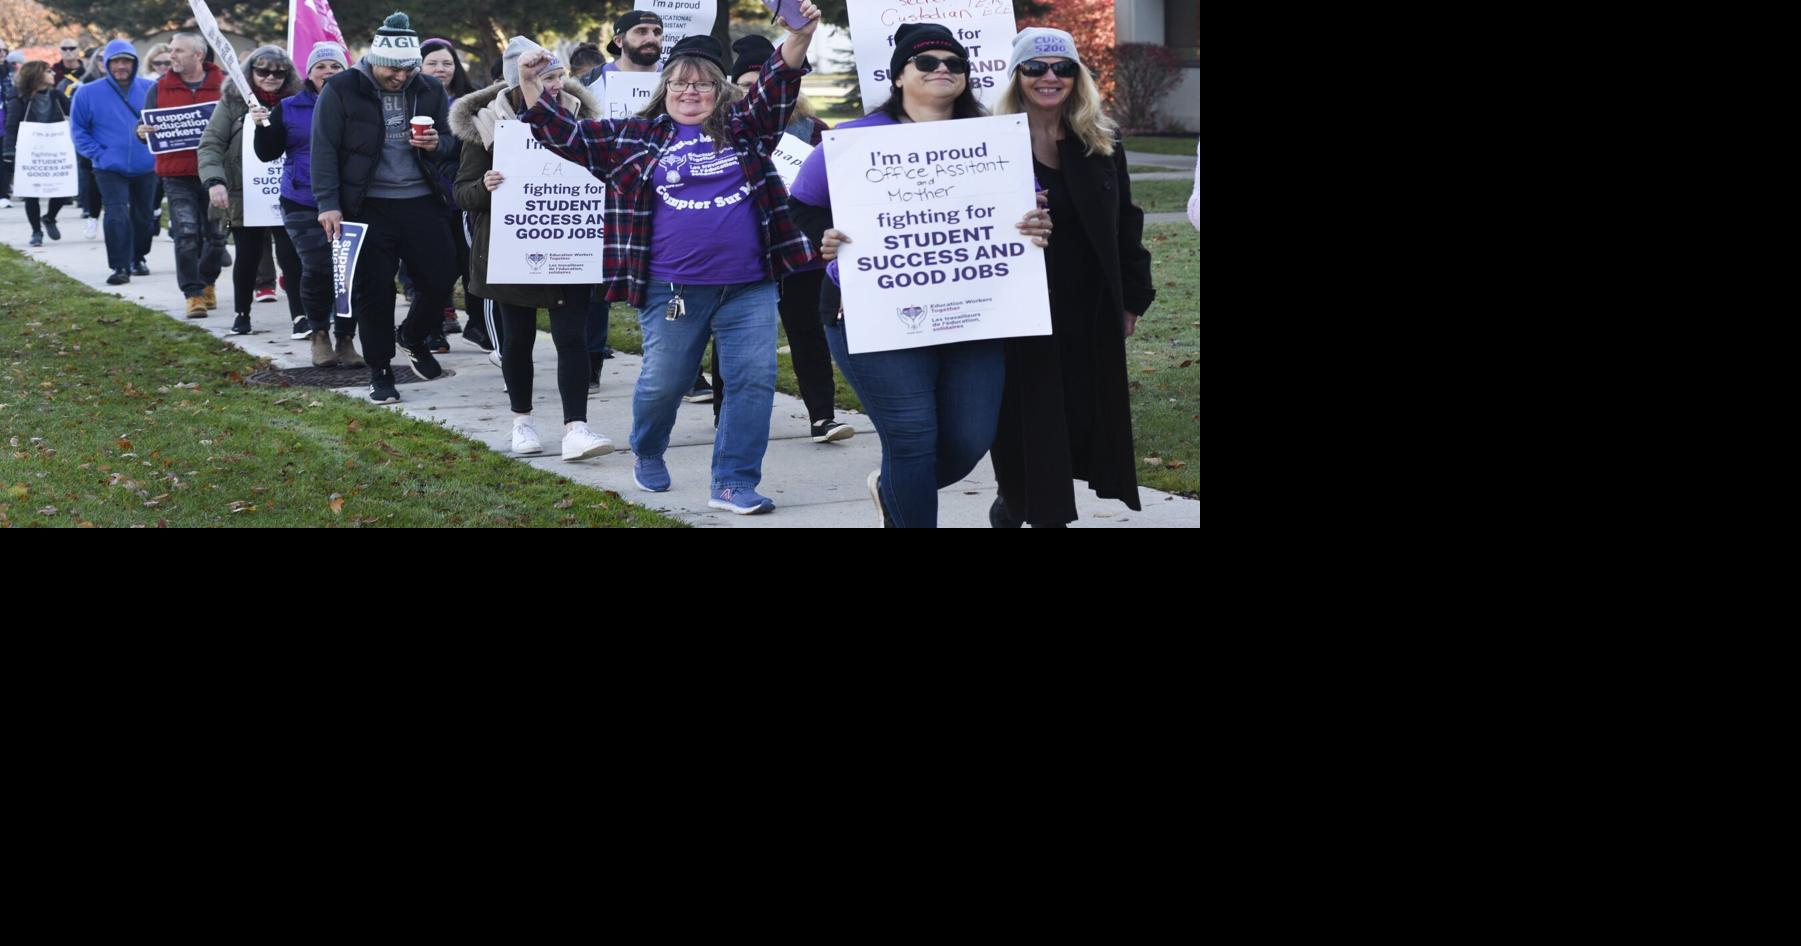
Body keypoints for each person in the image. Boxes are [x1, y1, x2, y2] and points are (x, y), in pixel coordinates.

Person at [515, 2, 823, 515]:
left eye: (703, 84)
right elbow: (563, 136)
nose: (690, 92)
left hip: (749, 286)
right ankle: (650, 446)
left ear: (720, 91)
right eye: (680, 83)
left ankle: (732, 483)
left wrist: (800, 35)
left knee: (752, 382)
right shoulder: (634, 136)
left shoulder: (746, 129)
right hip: (672, 290)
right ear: (665, 88)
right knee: (665, 383)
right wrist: (530, 86)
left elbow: (778, 83)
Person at [786, 23, 1053, 528]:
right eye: (927, 62)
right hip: (873, 311)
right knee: (910, 437)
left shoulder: (996, 138)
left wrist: (1039, 221)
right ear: (899, 76)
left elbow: (1030, 207)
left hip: (976, 312)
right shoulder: (854, 140)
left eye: (954, 64)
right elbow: (801, 203)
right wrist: (828, 237)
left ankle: (893, 489)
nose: (943, 71)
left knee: (970, 439)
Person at [987, 28, 1154, 528]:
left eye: (1062, 68)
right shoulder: (989, 142)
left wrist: (1131, 299)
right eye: (1034, 67)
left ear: (1077, 76)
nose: (1049, 77)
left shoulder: (1101, 140)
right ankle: (1031, 509)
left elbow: (1126, 219)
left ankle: (1017, 501)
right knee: (1027, 417)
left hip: (1088, 302)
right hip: (1018, 304)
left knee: (1080, 415)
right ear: (1017, 77)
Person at [453, 40, 614, 461]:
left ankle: (576, 427)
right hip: (512, 250)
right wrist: (485, 187)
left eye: (558, 75)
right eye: (545, 77)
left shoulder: (582, 118)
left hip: (568, 247)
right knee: (518, 339)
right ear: (519, 78)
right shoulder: (486, 125)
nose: (556, 83)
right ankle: (521, 422)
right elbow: (461, 193)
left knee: (572, 339)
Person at [706, 34, 851, 444]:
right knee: (732, 335)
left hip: (800, 249)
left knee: (807, 331)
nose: (758, 92)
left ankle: (822, 416)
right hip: (743, 249)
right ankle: (724, 413)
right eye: (748, 86)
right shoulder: (722, 132)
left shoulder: (814, 130)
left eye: (762, 83)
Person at [311, 11, 461, 404]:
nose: (400, 77)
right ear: (373, 60)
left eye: (408, 69)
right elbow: (323, 149)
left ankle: (412, 334)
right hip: (366, 205)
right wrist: (328, 204)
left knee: (442, 275)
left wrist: (436, 145)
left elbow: (451, 140)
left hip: (421, 199)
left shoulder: (428, 87)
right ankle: (380, 370)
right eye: (392, 70)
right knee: (374, 291)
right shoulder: (342, 88)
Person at [252, 42, 362, 368]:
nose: (327, 72)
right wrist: (262, 126)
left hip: (349, 199)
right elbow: (267, 152)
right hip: (301, 199)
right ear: (309, 73)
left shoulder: (357, 105)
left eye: (335, 67)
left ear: (346, 72)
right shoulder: (289, 107)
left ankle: (345, 337)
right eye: (321, 67)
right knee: (318, 268)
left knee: (348, 273)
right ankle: (318, 334)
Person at [198, 45, 306, 336]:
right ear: (250, 72)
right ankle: (241, 314)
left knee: (290, 254)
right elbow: (210, 145)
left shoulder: (295, 103)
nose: (271, 77)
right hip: (243, 192)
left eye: (280, 72)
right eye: (263, 71)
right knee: (247, 255)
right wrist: (214, 181)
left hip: (285, 190)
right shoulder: (232, 103)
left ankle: (300, 317)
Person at [137, 33, 228, 317]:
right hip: (176, 175)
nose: (171, 55)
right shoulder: (159, 87)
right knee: (186, 234)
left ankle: (208, 281)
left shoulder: (225, 85)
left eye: (178, 51)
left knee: (217, 236)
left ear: (198, 55)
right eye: (171, 50)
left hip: (217, 175)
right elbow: (145, 124)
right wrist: (140, 132)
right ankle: (193, 293)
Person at [69, 39, 156, 286]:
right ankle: (119, 266)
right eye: (115, 61)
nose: (121, 66)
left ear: (134, 63)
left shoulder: (151, 89)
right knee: (116, 214)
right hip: (108, 166)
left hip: (146, 164)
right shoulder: (87, 92)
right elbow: (78, 129)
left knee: (144, 216)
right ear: (105, 64)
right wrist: (98, 154)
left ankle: (138, 257)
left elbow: (163, 122)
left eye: (126, 61)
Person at [420, 37, 478, 344]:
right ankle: (432, 327)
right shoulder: (413, 100)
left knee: (470, 263)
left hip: (464, 196)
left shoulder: (471, 101)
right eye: (432, 63)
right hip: (427, 196)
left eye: (447, 63)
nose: (440, 69)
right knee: (435, 266)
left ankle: (477, 325)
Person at [8, 61, 71, 245]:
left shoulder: (57, 95)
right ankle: (36, 231)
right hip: (30, 150)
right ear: (36, 75)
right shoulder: (19, 98)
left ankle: (50, 217)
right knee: (31, 193)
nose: (53, 74)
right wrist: (9, 151)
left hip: (55, 149)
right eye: (48, 71)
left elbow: (75, 113)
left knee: (63, 189)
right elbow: (11, 126)